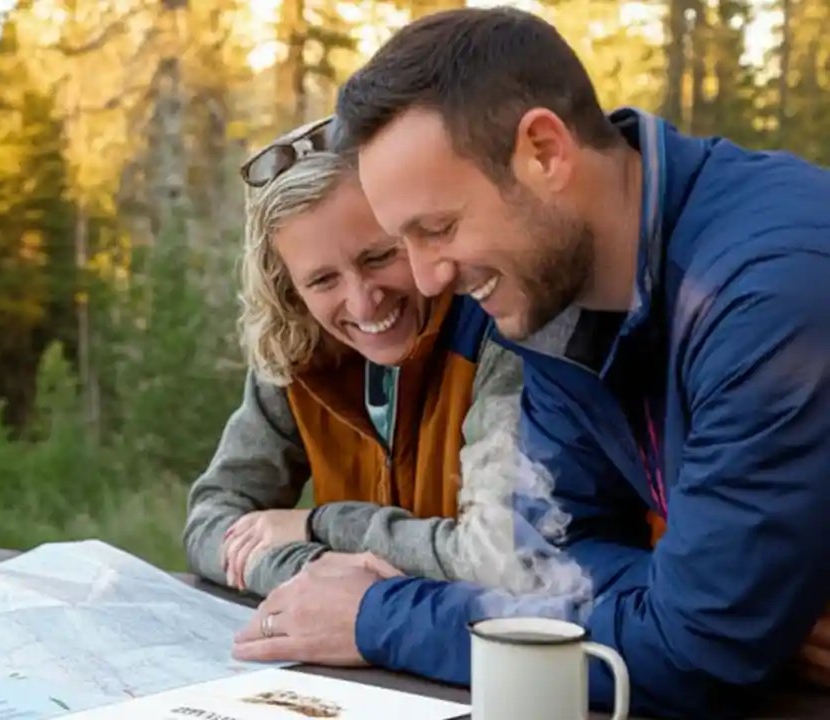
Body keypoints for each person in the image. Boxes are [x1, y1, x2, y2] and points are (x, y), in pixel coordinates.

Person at [230, 8, 830, 719]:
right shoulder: (552, 299)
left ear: (544, 150)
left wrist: (378, 616)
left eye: (438, 228)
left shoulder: (769, 291)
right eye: (404, 241)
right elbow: (549, 560)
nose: (425, 279)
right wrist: (709, 600)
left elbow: (694, 657)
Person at [182, 119, 529, 599]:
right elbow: (212, 523)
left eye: (379, 257)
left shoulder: (494, 333)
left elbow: (501, 556)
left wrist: (325, 524)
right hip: (355, 653)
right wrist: (321, 571)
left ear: (417, 232)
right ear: (290, 291)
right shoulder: (298, 351)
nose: (364, 303)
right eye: (323, 281)